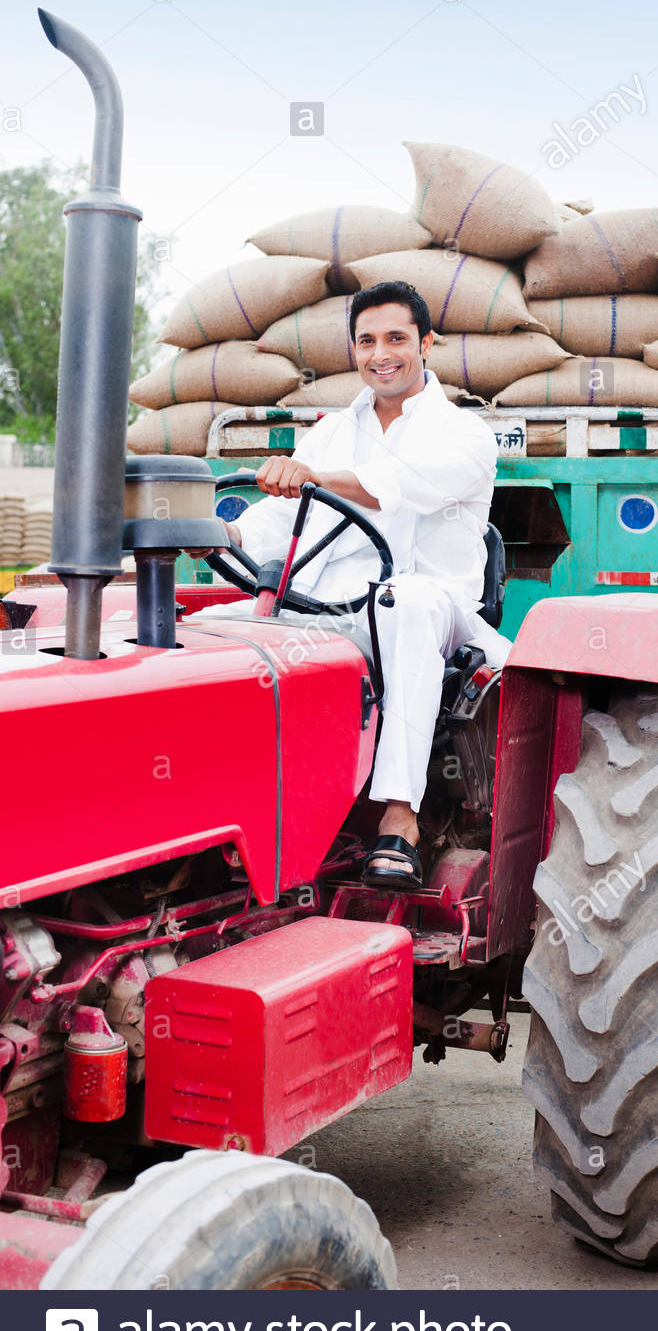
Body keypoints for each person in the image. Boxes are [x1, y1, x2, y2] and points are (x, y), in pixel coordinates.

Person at [225, 280, 509, 887]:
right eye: (367, 341)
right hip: (329, 610)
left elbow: (405, 482)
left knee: (401, 602)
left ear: (427, 343)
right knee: (208, 633)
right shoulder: (330, 430)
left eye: (397, 339)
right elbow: (280, 519)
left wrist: (313, 477)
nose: (381, 353)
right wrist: (221, 538)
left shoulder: (465, 433)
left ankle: (399, 817)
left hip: (432, 610)